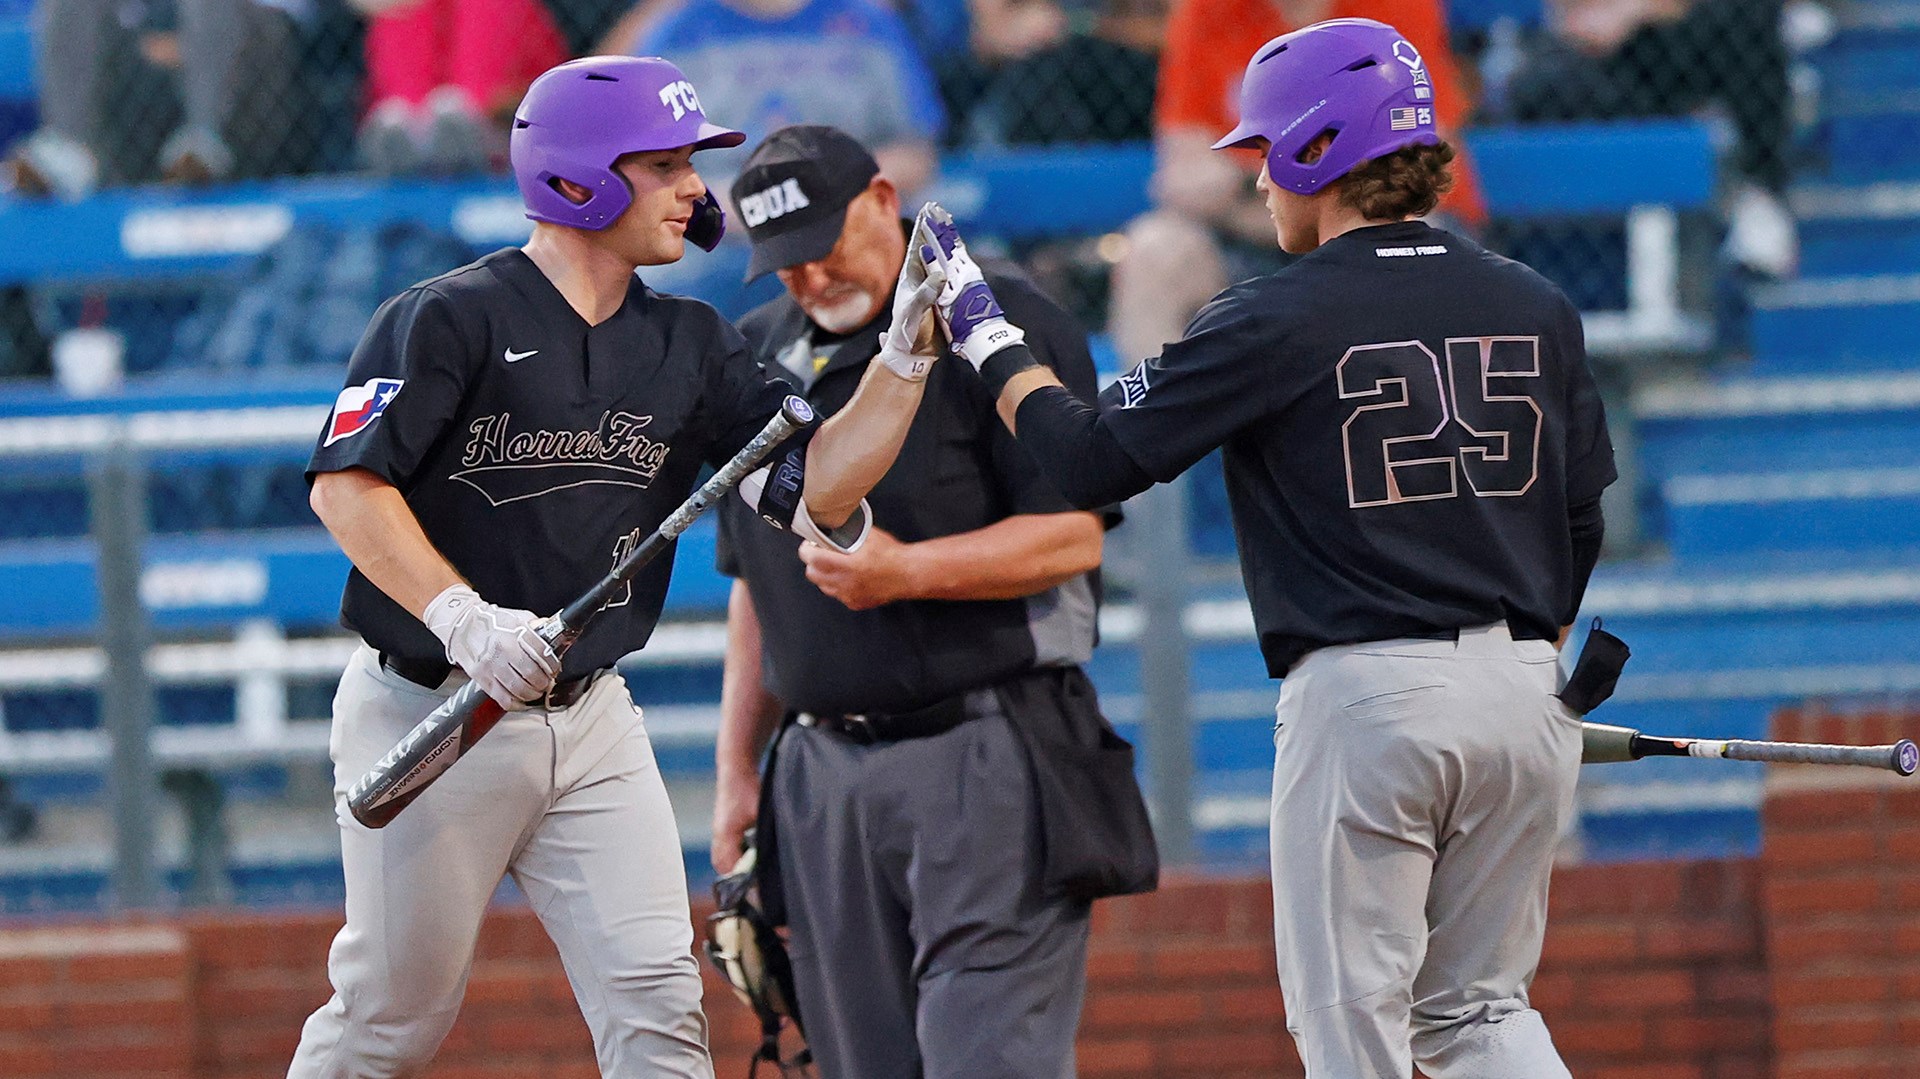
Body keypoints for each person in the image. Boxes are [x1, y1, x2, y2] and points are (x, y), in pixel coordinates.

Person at [918, 18, 1615, 1078]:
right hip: (1528, 689)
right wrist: (1513, 677)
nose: (1258, 181)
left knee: (1349, 1029)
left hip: (1369, 697)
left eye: (1267, 152)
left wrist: (987, 336)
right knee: (1480, 1012)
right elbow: (1582, 520)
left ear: (1320, 150)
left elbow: (1092, 459)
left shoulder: (1274, 313)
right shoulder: (1536, 299)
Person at [289, 57, 948, 1078]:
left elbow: (814, 488)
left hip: (590, 714)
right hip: (432, 706)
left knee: (658, 1004)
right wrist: (465, 618)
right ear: (578, 178)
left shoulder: (692, 341)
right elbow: (346, 487)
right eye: (666, 165)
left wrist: (902, 366)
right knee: (391, 1016)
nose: (694, 189)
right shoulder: (448, 316)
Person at [709, 124, 1146, 1078]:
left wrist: (908, 570)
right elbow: (754, 583)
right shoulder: (754, 353)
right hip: (820, 770)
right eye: (785, 261)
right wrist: (738, 766)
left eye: (823, 244)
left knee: (989, 1060)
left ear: (882, 200)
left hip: (984, 746)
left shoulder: (996, 322)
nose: (810, 277)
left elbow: (1072, 536)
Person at [1107, 0, 1484, 370]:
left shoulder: (1396, 6)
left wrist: (1260, 176)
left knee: (1414, 236)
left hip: (1371, 227)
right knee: (1156, 248)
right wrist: (1311, 179)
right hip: (1248, 237)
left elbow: (1417, 158)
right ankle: (1155, 408)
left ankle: (1421, 404)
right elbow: (1182, 177)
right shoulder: (1207, 9)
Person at [4, 0, 303, 198]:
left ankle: (206, 144)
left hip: (246, 114)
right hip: (137, 111)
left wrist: (195, 47)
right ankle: (70, 149)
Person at [354, 0, 571, 176]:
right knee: (401, 8)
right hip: (437, 116)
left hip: (512, 121)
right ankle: (417, 139)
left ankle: (470, 137)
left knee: (452, 109)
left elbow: (488, 81)